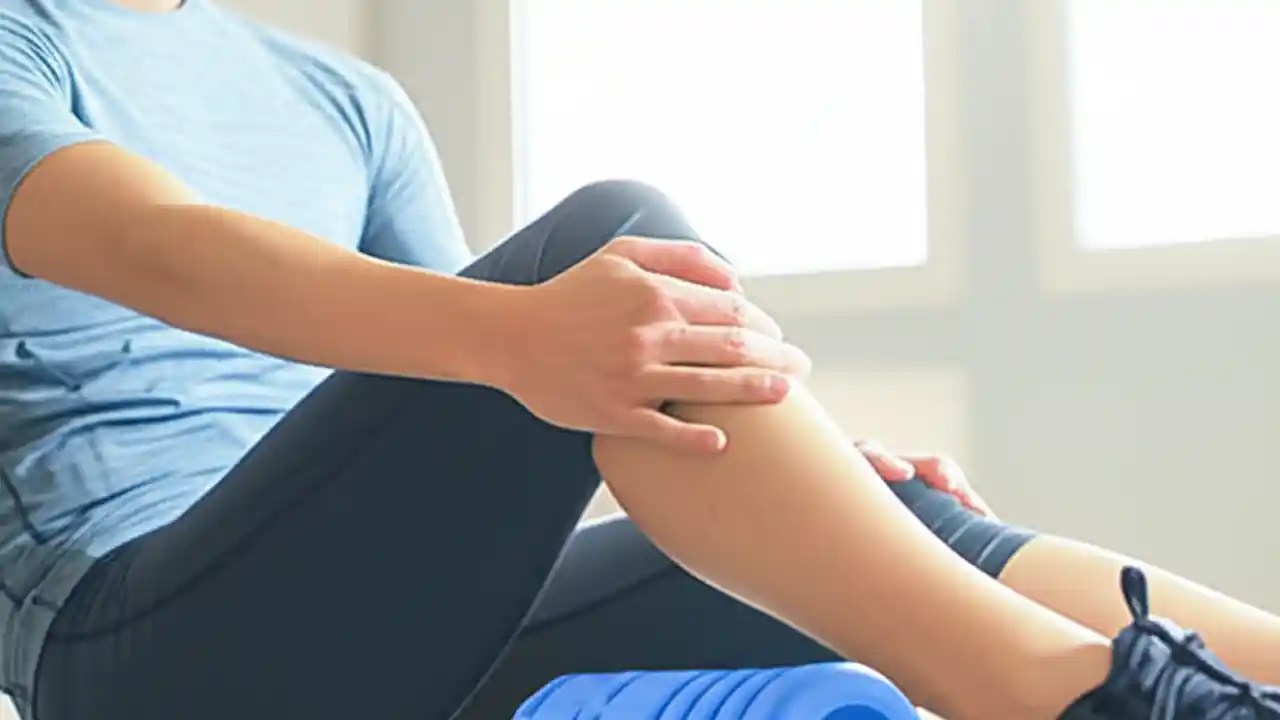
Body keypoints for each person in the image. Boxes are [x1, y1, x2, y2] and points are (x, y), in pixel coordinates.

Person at [1, 0, 1278, 718]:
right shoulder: (22, 37)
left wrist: (807, 486)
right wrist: (537, 333)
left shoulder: (344, 100)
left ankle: (1237, 684)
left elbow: (487, 415)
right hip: (144, 649)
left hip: (388, 635)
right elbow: (142, 239)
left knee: (883, 513)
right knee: (616, 248)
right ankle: (1084, 703)